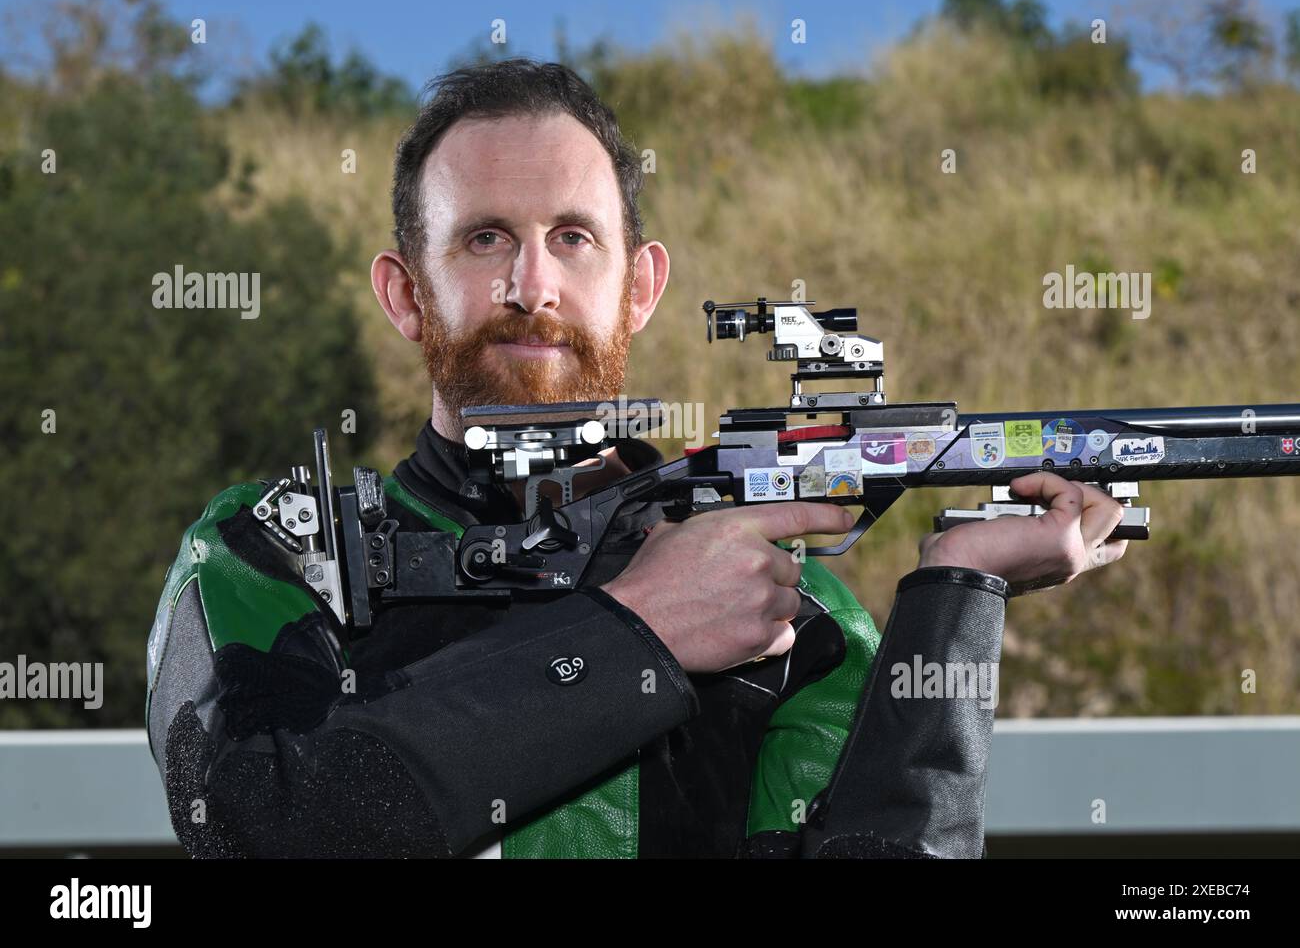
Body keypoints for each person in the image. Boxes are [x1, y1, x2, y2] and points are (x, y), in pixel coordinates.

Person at [145, 59, 1128, 858]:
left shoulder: (785, 607)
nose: (533, 285)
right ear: (405, 294)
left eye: (573, 238)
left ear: (639, 289)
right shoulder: (274, 551)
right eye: (485, 237)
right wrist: (637, 627)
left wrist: (954, 594)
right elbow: (252, 830)